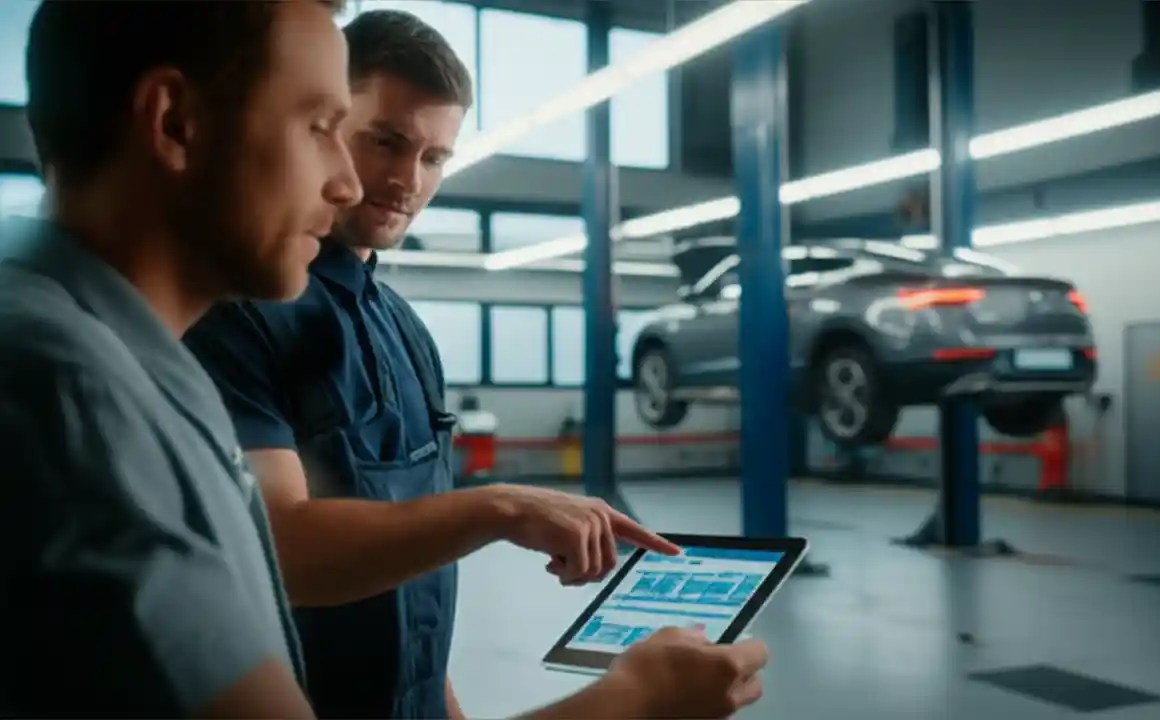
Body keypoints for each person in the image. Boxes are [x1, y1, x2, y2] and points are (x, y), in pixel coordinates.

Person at [0, 1, 768, 718]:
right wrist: (630, 702)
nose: (348, 181)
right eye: (320, 126)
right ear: (175, 123)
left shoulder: (141, 374)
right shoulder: (68, 405)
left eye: (434, 155)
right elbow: (291, 551)